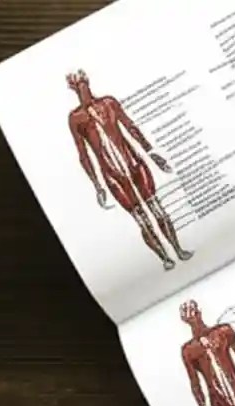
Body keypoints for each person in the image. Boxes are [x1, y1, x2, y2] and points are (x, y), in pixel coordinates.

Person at [66, 70, 193, 270]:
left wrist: (152, 153)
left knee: (157, 208)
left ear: (88, 82)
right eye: (77, 86)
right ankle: (165, 259)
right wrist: (97, 185)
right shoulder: (75, 118)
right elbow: (83, 154)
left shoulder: (109, 103)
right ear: (72, 89)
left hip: (133, 162)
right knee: (141, 218)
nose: (82, 89)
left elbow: (130, 127)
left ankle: (178, 250)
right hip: (112, 174)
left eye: (83, 83)